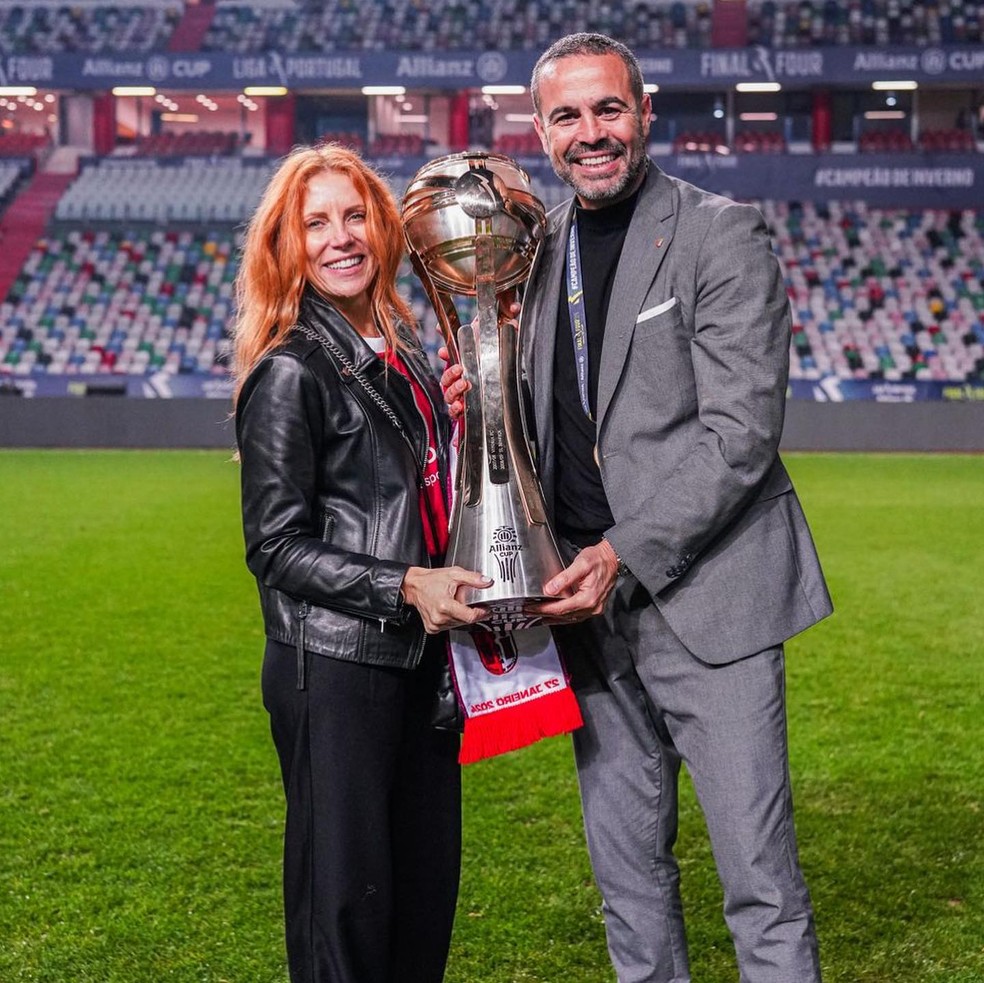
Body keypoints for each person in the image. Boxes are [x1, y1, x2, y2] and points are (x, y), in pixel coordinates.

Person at [443, 33, 833, 983]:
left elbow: (740, 434)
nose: (591, 134)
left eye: (608, 109)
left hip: (712, 604)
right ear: (541, 131)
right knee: (628, 882)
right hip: (583, 613)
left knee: (760, 882)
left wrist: (620, 552)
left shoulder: (719, 233)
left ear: (645, 112)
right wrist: (482, 401)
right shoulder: (532, 255)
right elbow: (545, 422)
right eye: (568, 116)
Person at [233, 144, 490, 983]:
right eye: (316, 223)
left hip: (423, 664)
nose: (340, 238)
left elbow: (415, 491)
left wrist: (451, 424)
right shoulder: (289, 368)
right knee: (345, 909)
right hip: (335, 671)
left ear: (381, 229)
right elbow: (274, 545)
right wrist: (406, 584)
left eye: (354, 216)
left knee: (423, 897)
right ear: (288, 246)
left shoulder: (406, 349)